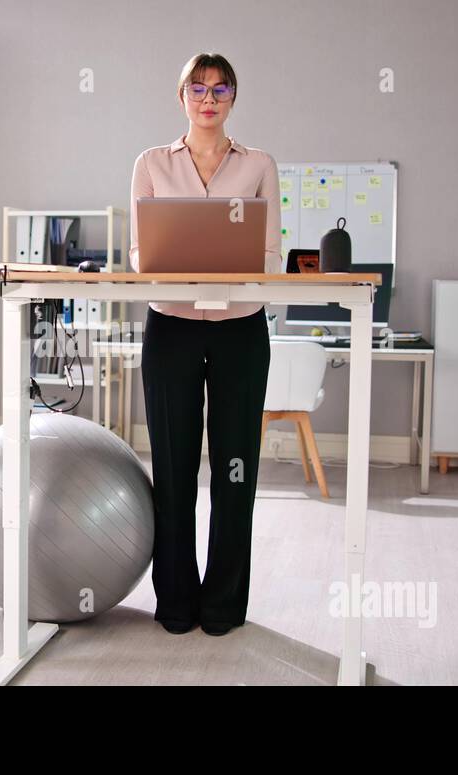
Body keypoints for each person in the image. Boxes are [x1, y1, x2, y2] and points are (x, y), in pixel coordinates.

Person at [128, 52, 282, 636]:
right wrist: (193, 265)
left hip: (241, 326)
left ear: (233, 97)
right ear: (182, 96)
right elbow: (143, 255)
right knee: (173, 467)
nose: (209, 99)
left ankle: (223, 606)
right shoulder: (150, 163)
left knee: (235, 469)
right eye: (198, 88)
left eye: (221, 89)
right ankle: (175, 603)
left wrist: (211, 265)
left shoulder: (259, 164)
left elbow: (267, 254)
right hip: (173, 325)